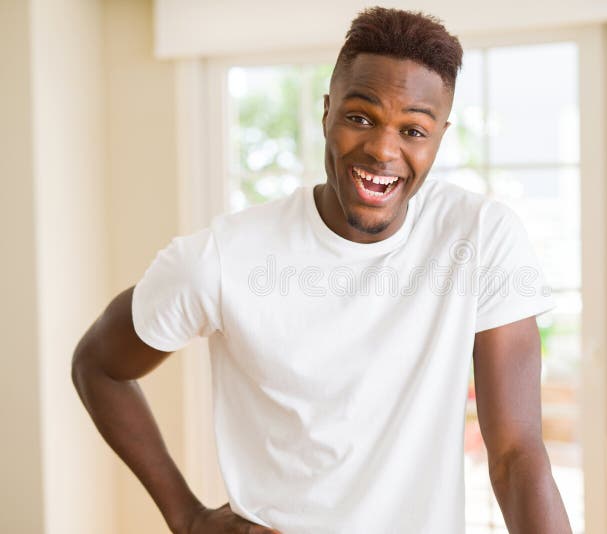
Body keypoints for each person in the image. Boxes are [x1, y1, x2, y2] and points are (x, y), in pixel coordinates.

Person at [72, 6, 572, 534]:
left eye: (413, 130)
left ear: (440, 137)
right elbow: (98, 365)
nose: (383, 149)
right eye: (361, 117)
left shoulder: (479, 237)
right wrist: (187, 516)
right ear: (326, 112)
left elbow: (516, 455)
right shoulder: (223, 258)